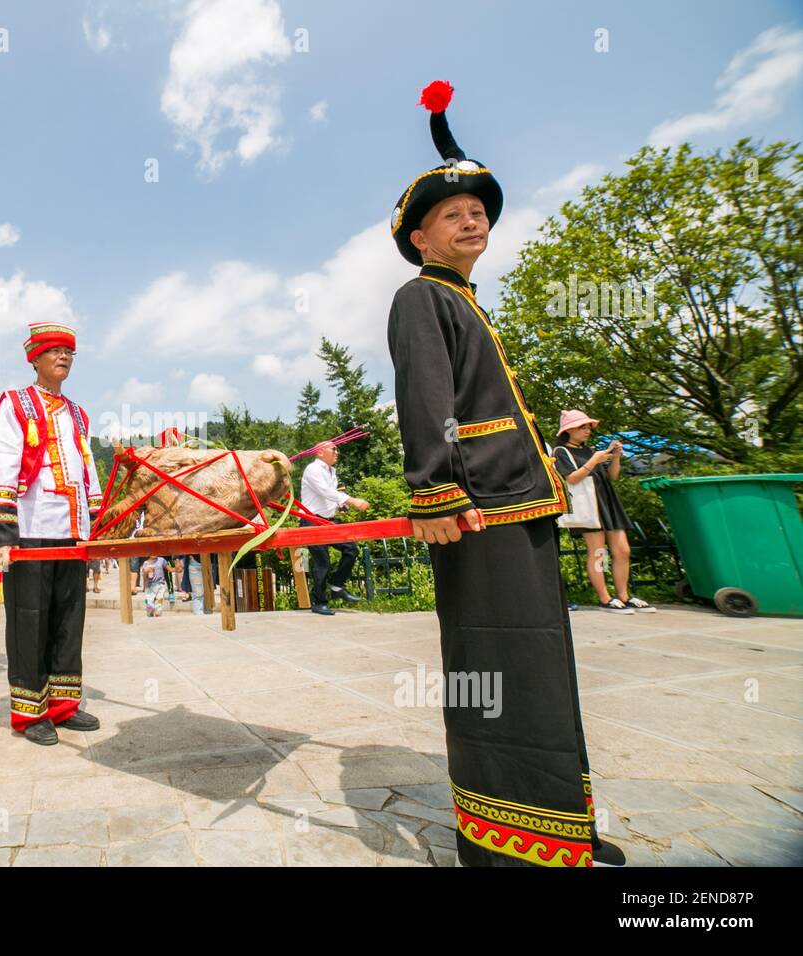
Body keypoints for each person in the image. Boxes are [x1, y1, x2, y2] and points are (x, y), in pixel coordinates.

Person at [385, 80, 623, 867]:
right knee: (494, 670)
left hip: (520, 507)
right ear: (420, 238)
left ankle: (560, 830)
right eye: (452, 213)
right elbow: (426, 400)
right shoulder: (420, 298)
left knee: (539, 668)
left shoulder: (471, 303)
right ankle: (507, 848)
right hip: (477, 509)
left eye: (478, 211)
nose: (472, 218)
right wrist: (436, 491)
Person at [0, 322, 103, 746]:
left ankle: (63, 705)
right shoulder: (15, 404)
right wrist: (3, 534)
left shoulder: (77, 412)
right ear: (34, 358)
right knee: (29, 620)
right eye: (55, 352)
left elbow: (87, 469)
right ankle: (28, 711)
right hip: (32, 531)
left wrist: (97, 527)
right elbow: (4, 465)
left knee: (69, 618)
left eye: (69, 353)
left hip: (72, 531)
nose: (64, 358)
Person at [553, 410, 652, 613]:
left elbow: (613, 476)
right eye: (582, 426)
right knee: (598, 552)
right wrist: (594, 461)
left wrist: (615, 458)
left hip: (608, 501)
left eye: (588, 426)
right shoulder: (561, 451)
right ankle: (604, 598)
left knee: (623, 550)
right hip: (588, 505)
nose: (587, 430)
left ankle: (623, 595)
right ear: (569, 429)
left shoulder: (591, 451)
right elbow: (571, 479)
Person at [298, 441, 371, 615]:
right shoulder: (312, 469)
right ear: (320, 453)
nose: (337, 452)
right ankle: (318, 602)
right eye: (334, 449)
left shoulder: (332, 472)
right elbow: (324, 491)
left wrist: (340, 506)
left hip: (328, 520)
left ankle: (337, 586)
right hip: (312, 521)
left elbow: (330, 496)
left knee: (351, 549)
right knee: (322, 562)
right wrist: (351, 501)